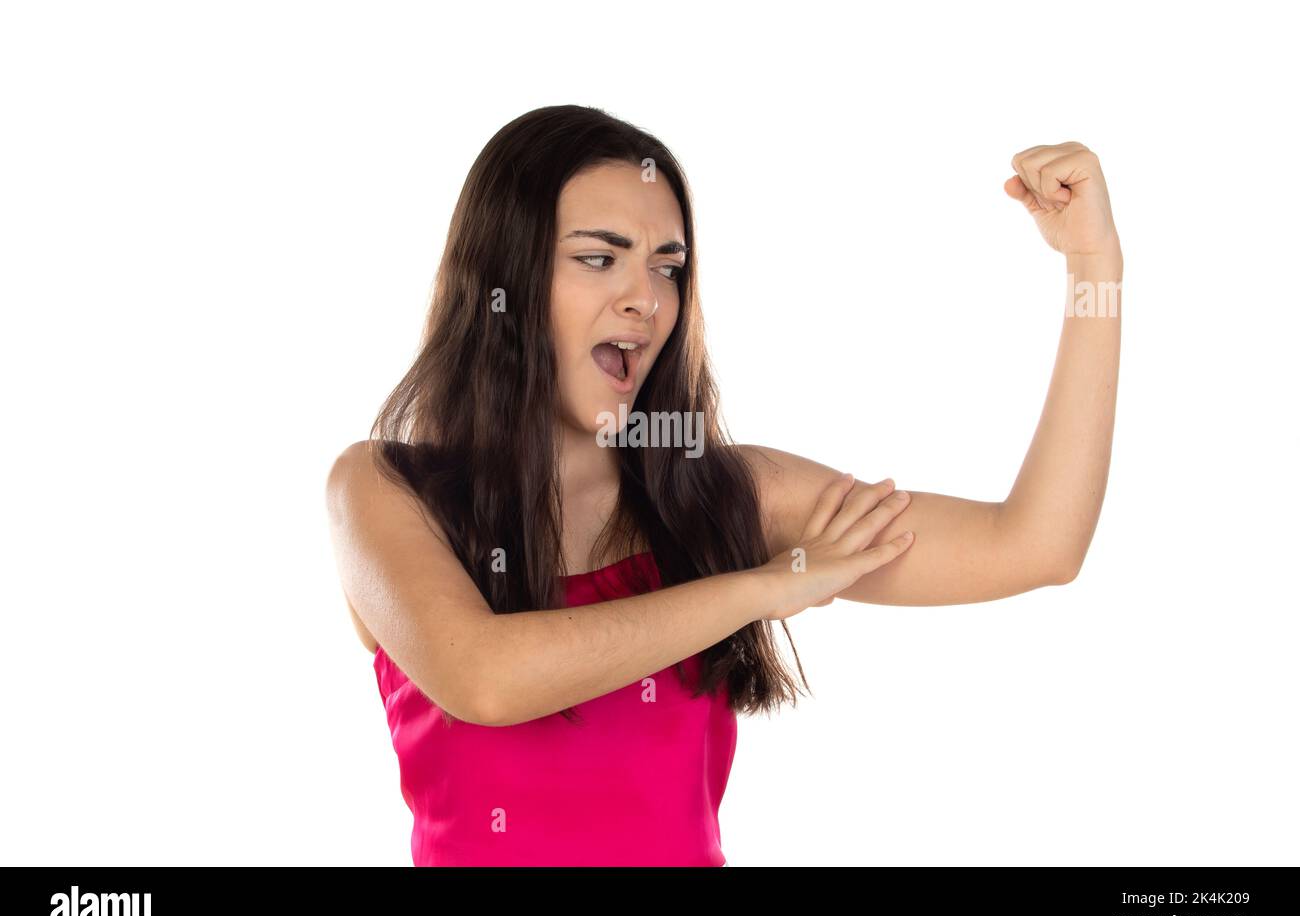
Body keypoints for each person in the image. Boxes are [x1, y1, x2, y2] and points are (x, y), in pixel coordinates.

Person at [325, 105, 1123, 866]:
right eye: (599, 258)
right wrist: (762, 588)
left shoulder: (721, 493)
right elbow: (486, 678)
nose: (646, 298)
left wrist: (1095, 269)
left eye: (666, 267)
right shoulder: (383, 491)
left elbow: (1037, 545)